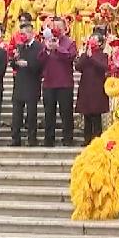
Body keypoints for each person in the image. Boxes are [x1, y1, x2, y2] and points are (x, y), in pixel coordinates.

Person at [40, 17, 76, 147]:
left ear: (65, 29)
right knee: (49, 112)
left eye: (59, 27)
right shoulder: (46, 42)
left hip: (64, 83)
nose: (56, 30)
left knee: (66, 112)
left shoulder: (70, 42)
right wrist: (47, 49)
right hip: (49, 83)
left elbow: (70, 57)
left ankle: (68, 138)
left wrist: (58, 48)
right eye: (54, 27)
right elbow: (40, 60)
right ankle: (49, 139)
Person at [9, 24, 44, 146]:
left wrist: (28, 64)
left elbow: (41, 65)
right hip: (19, 83)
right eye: (21, 34)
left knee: (31, 114)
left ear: (31, 33)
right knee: (16, 114)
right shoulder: (20, 47)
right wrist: (14, 60)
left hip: (32, 84)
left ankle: (32, 138)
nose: (22, 36)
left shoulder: (39, 47)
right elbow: (13, 65)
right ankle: (15, 139)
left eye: (24, 34)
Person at [74, 34, 110, 145]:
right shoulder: (85, 54)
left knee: (96, 116)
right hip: (86, 87)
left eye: (94, 39)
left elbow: (104, 67)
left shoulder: (103, 55)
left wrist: (92, 58)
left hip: (97, 88)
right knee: (87, 115)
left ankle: (97, 139)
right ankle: (87, 139)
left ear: (100, 43)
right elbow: (78, 67)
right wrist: (85, 55)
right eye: (91, 38)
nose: (92, 41)